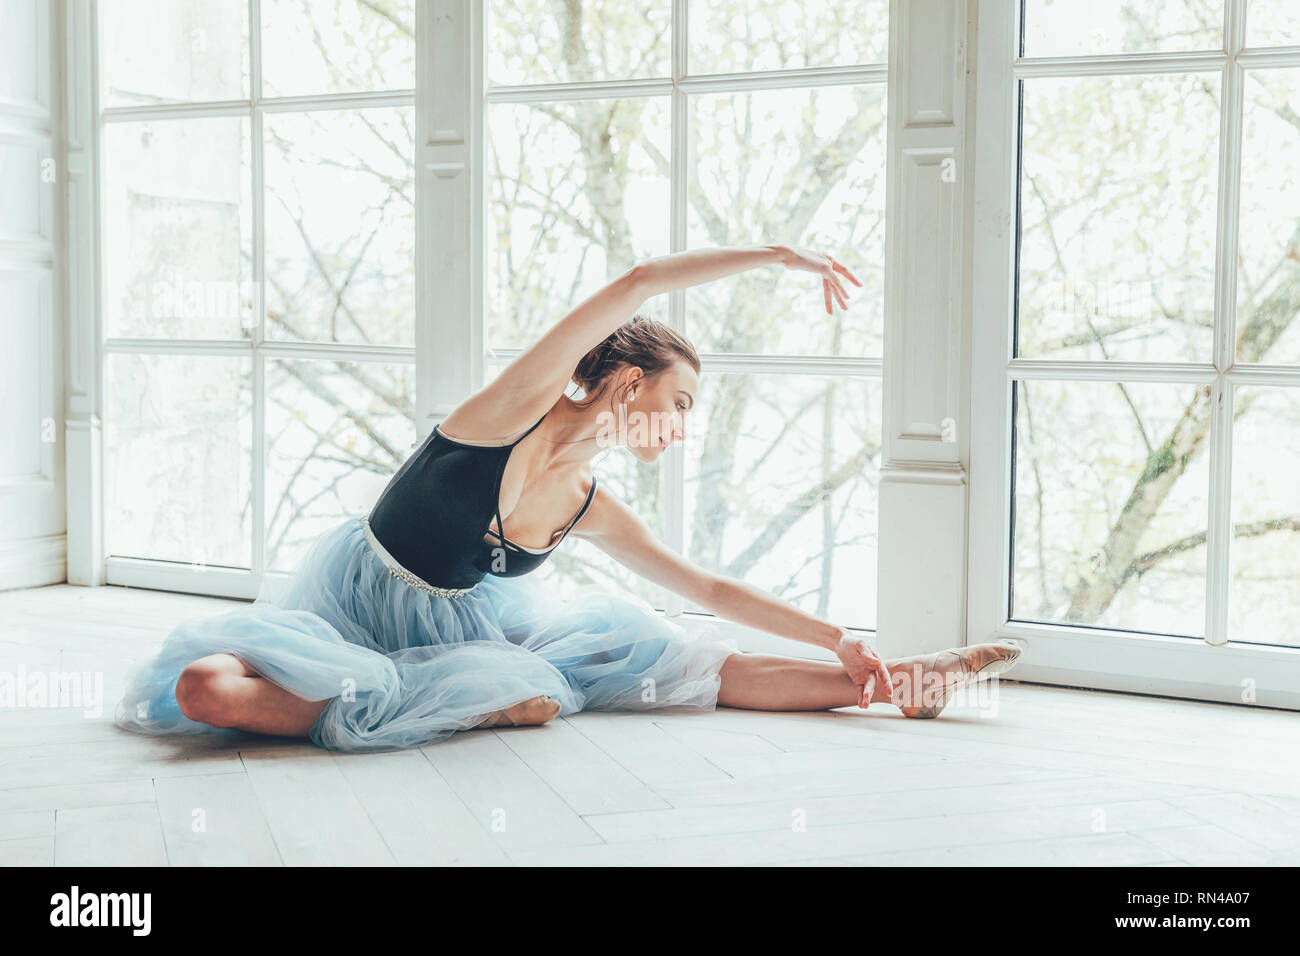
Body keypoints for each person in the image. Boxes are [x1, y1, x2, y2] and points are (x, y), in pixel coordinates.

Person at [115, 244, 1021, 752]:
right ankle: (438, 701)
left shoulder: (586, 503)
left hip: (471, 629)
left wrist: (839, 637)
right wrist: (777, 258)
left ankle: (899, 685)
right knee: (203, 689)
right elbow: (636, 284)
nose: (679, 428)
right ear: (627, 382)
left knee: (679, 657)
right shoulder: (509, 411)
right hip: (352, 614)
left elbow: (708, 590)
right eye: (678, 404)